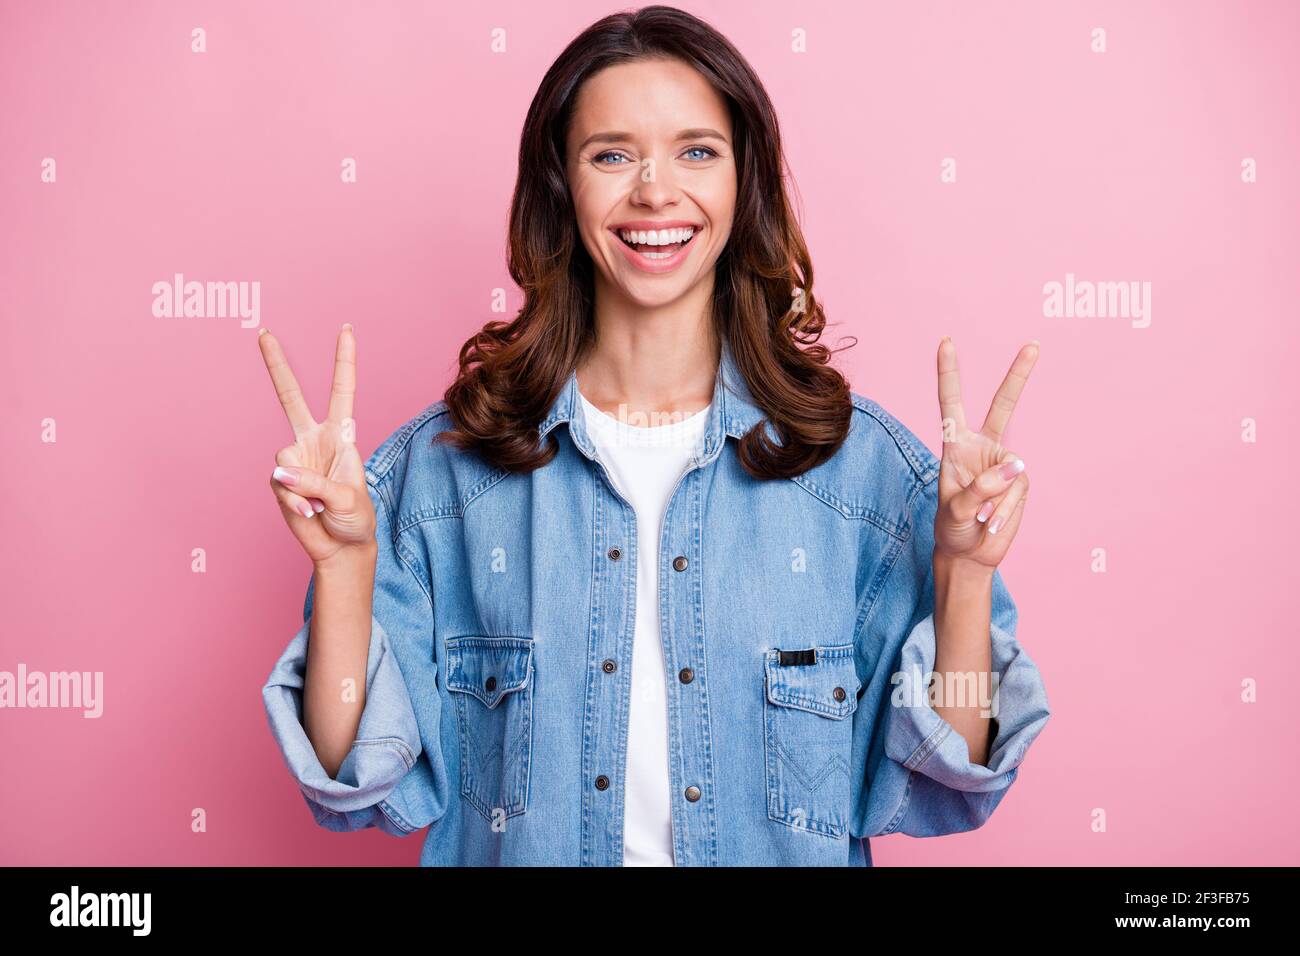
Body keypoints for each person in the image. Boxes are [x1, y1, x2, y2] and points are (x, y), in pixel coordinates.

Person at [260, 4, 1050, 866]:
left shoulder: (856, 472)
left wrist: (964, 575)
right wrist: (340, 570)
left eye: (696, 151)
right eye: (612, 154)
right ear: (561, 188)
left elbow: (952, 771)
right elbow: (345, 773)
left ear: (742, 183)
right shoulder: (446, 474)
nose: (654, 190)